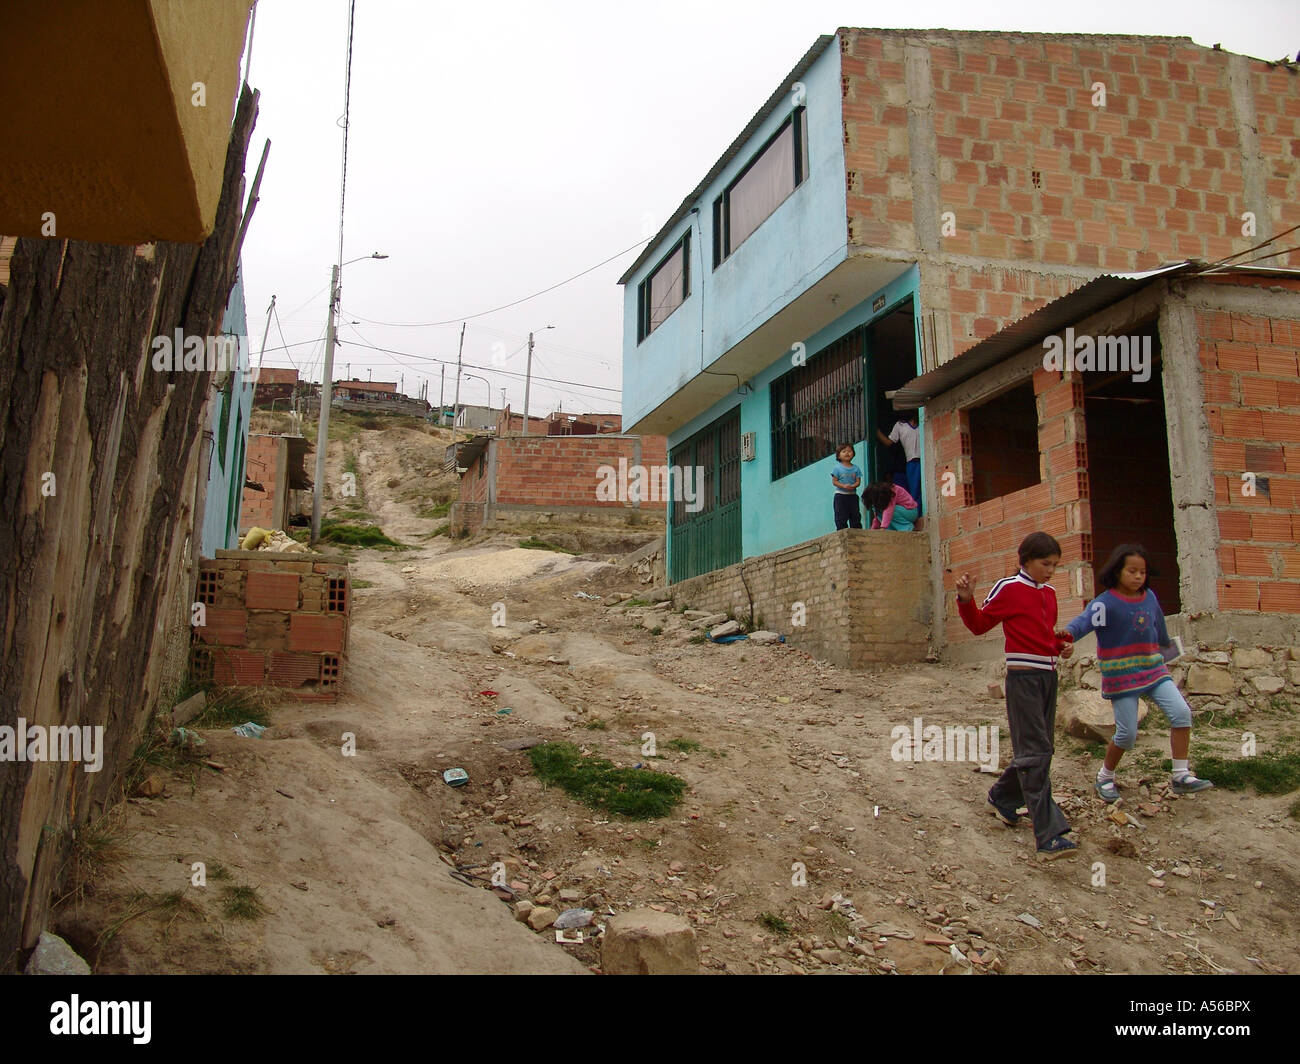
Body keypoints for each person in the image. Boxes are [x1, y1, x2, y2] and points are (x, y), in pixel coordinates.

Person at [956, 532, 1077, 860]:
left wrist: (1061, 647)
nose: (1050, 571)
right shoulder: (1008, 588)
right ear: (1026, 560)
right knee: (1035, 750)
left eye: (1054, 565)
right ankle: (1049, 835)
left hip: (1048, 678)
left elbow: (1044, 636)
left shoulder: (1049, 594)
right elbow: (979, 625)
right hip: (1023, 678)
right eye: (1044, 563)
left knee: (1040, 749)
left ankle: (1004, 798)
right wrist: (967, 600)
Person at [1059, 543, 1213, 801]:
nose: (1138, 576)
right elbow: (1082, 623)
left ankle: (1181, 776)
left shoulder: (1149, 597)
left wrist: (1168, 649)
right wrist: (1067, 637)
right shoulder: (1105, 604)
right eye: (1132, 571)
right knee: (1127, 733)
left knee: (1181, 713)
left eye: (1142, 572)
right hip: (1122, 677)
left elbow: (1159, 629)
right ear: (1117, 571)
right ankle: (1105, 777)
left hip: (1154, 670)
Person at [876, 410, 921, 513]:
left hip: (924, 459)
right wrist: (876, 431)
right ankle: (916, 515)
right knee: (915, 491)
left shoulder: (923, 421)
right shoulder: (900, 425)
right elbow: (888, 442)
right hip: (912, 462)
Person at [829, 443, 863, 530]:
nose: (847, 453)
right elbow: (835, 482)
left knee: (855, 515)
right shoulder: (837, 468)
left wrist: (852, 486)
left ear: (853, 453)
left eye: (849, 451)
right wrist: (844, 486)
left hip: (852, 495)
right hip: (840, 495)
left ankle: (857, 531)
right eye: (844, 451)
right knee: (841, 515)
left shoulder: (856, 468)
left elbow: (858, 482)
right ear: (838, 455)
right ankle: (841, 531)